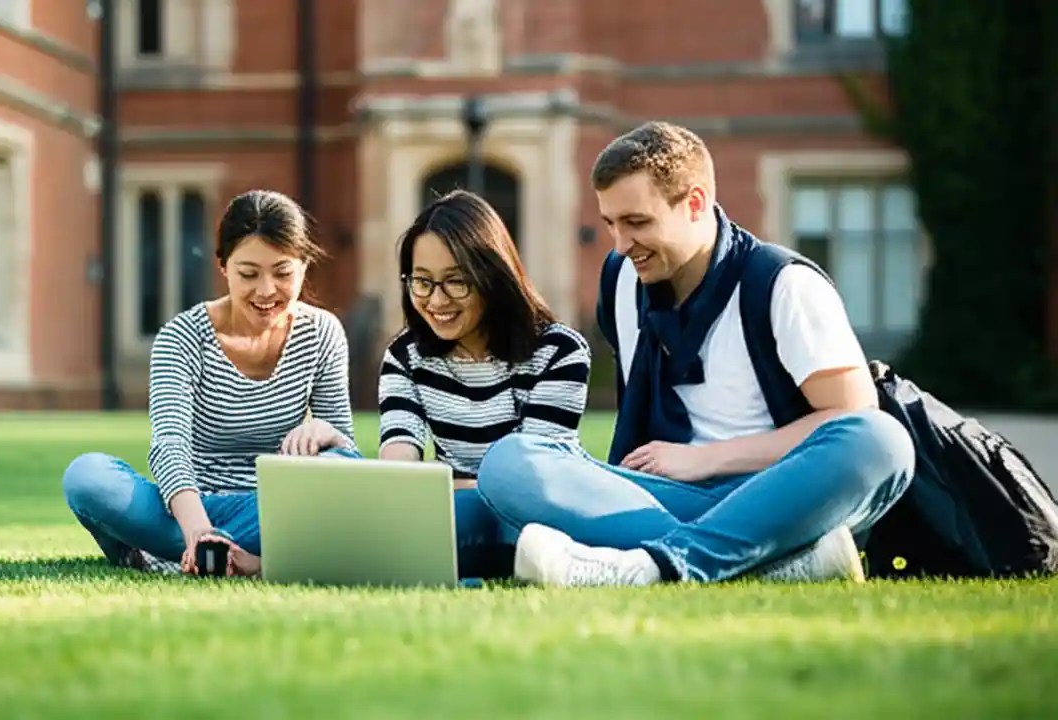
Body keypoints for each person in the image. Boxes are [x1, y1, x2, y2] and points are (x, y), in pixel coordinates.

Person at [475, 121, 916, 587]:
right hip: (656, 496)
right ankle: (766, 564)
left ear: (695, 204)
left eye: (637, 223)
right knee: (509, 462)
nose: (622, 245)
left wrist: (708, 459)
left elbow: (850, 417)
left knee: (881, 440)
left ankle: (650, 567)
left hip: (777, 497)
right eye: (611, 224)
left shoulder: (783, 285)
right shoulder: (622, 279)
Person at [62, 189, 355, 578]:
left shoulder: (322, 333)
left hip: (276, 506)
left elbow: (350, 459)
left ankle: (165, 554)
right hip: (189, 506)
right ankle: (210, 549)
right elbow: (170, 446)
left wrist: (327, 432)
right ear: (223, 267)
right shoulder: (182, 337)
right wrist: (199, 530)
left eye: (283, 273)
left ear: (303, 266)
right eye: (248, 274)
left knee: (342, 474)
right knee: (88, 478)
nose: (266, 291)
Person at [378, 190, 592, 579]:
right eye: (422, 282)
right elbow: (399, 458)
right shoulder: (405, 356)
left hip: (530, 516)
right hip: (444, 510)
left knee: (488, 503)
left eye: (456, 282)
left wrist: (433, 494)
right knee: (333, 462)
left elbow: (529, 478)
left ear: (491, 275)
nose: (436, 301)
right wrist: (400, 489)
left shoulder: (559, 351)